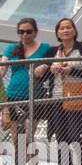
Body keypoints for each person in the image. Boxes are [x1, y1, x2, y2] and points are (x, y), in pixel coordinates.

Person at [35, 19, 82, 165]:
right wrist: (45, 70)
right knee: (61, 137)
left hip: (78, 98)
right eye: (62, 28)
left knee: (74, 135)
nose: (65, 30)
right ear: (57, 33)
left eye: (68, 27)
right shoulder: (53, 51)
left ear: (74, 30)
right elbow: (43, 73)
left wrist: (71, 69)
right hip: (57, 98)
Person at [2, 18, 51, 157]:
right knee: (17, 139)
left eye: (28, 31)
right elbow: (3, 68)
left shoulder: (45, 48)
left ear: (35, 32)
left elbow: (52, 65)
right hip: (13, 95)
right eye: (21, 32)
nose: (25, 35)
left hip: (34, 97)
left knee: (28, 137)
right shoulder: (12, 49)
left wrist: (44, 68)